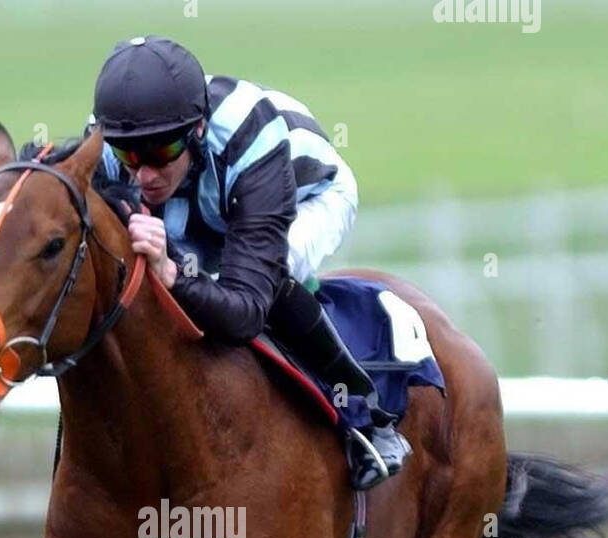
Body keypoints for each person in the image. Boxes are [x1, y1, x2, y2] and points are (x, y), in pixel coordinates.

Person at [92, 35, 409, 489]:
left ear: (197, 129)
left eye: (162, 154)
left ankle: (366, 417)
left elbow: (244, 311)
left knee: (268, 280)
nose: (144, 176)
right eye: (129, 157)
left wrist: (173, 275)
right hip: (212, 191)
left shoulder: (250, 139)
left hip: (302, 194)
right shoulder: (111, 138)